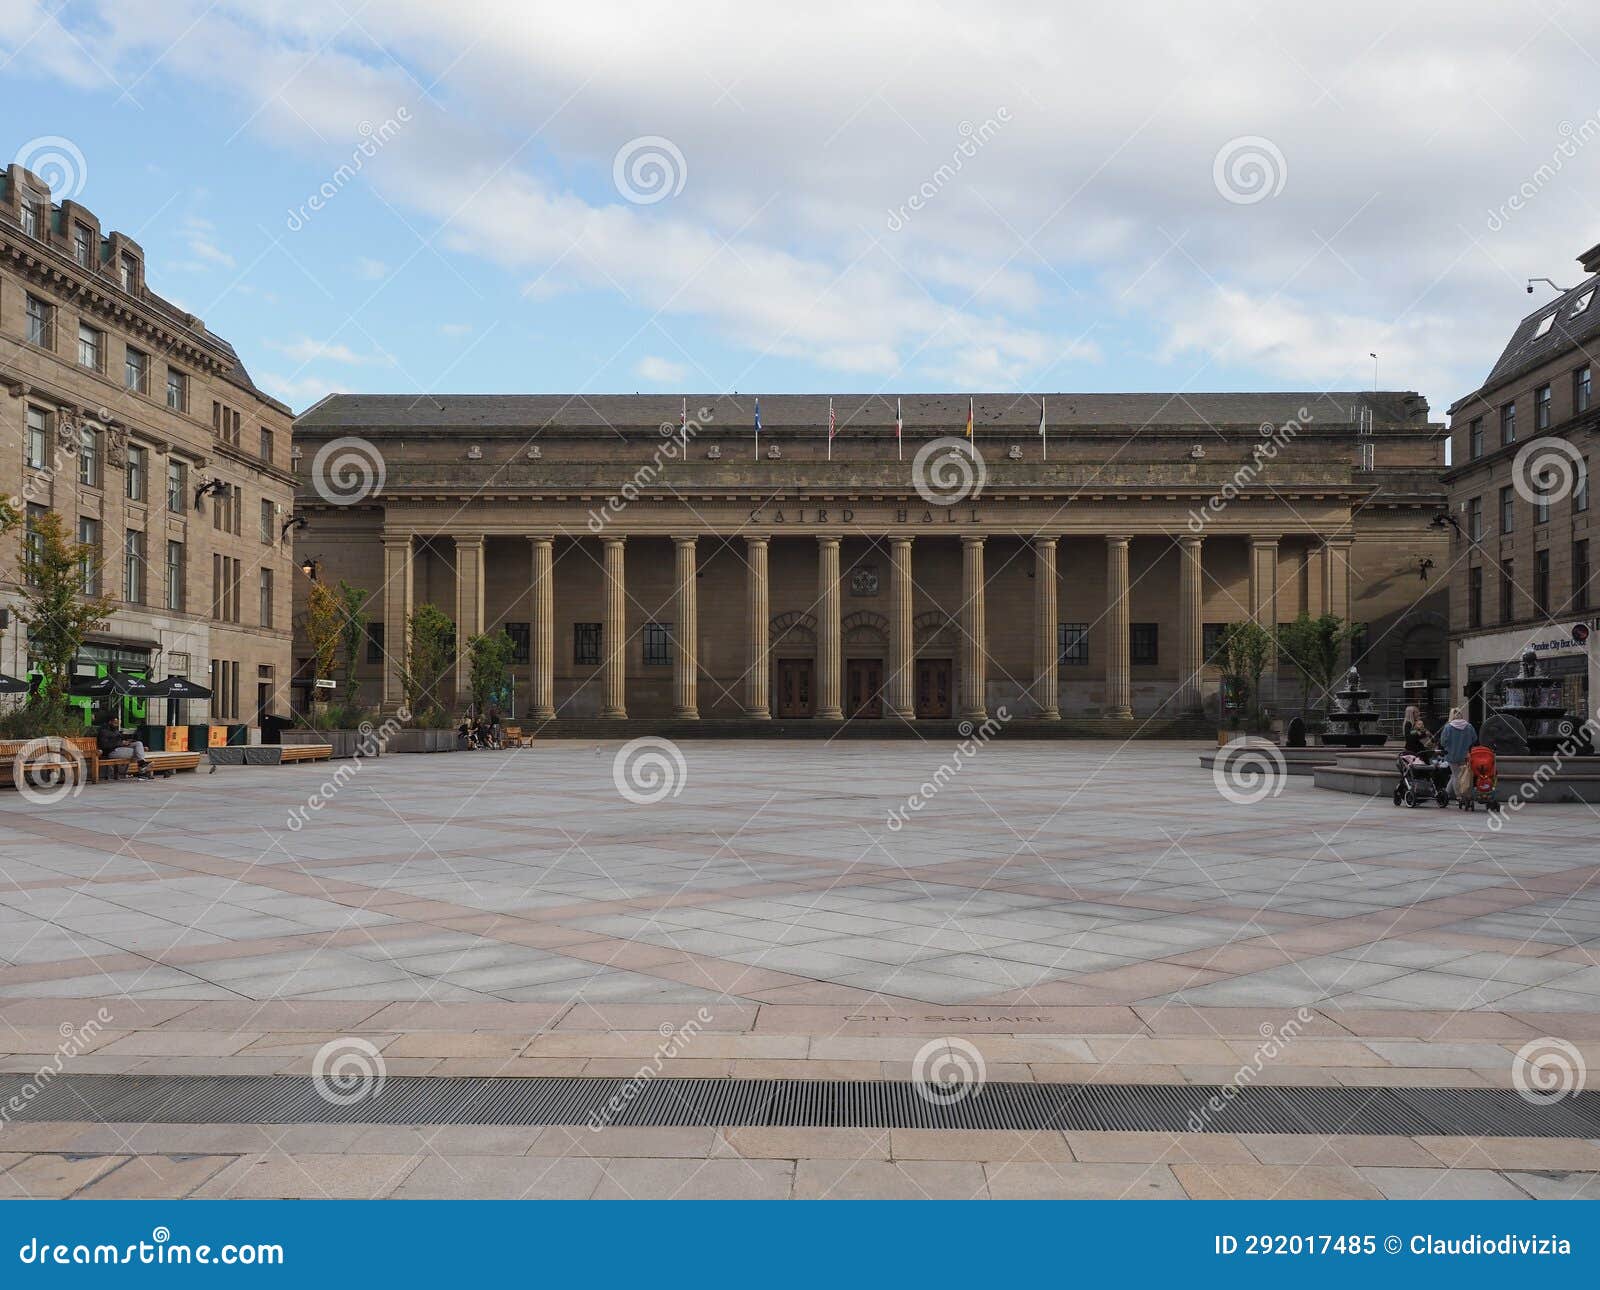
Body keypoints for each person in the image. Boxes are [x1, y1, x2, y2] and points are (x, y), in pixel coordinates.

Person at [1437, 707, 1478, 800]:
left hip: (1451, 755)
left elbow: (1443, 742)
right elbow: (1474, 739)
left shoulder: (1448, 727)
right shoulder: (1469, 726)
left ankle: (1459, 796)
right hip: (1465, 755)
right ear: (1461, 715)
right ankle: (1446, 793)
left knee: (1456, 775)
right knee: (1459, 775)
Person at [97, 713, 153, 778]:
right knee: (138, 752)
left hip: (120, 749)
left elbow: (121, 739)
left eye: (117, 722)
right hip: (111, 752)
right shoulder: (103, 731)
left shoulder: (115, 731)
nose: (117, 724)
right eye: (115, 722)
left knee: (139, 743)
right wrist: (121, 743)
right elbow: (104, 745)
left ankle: (142, 765)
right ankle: (142, 770)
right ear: (110, 722)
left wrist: (127, 742)